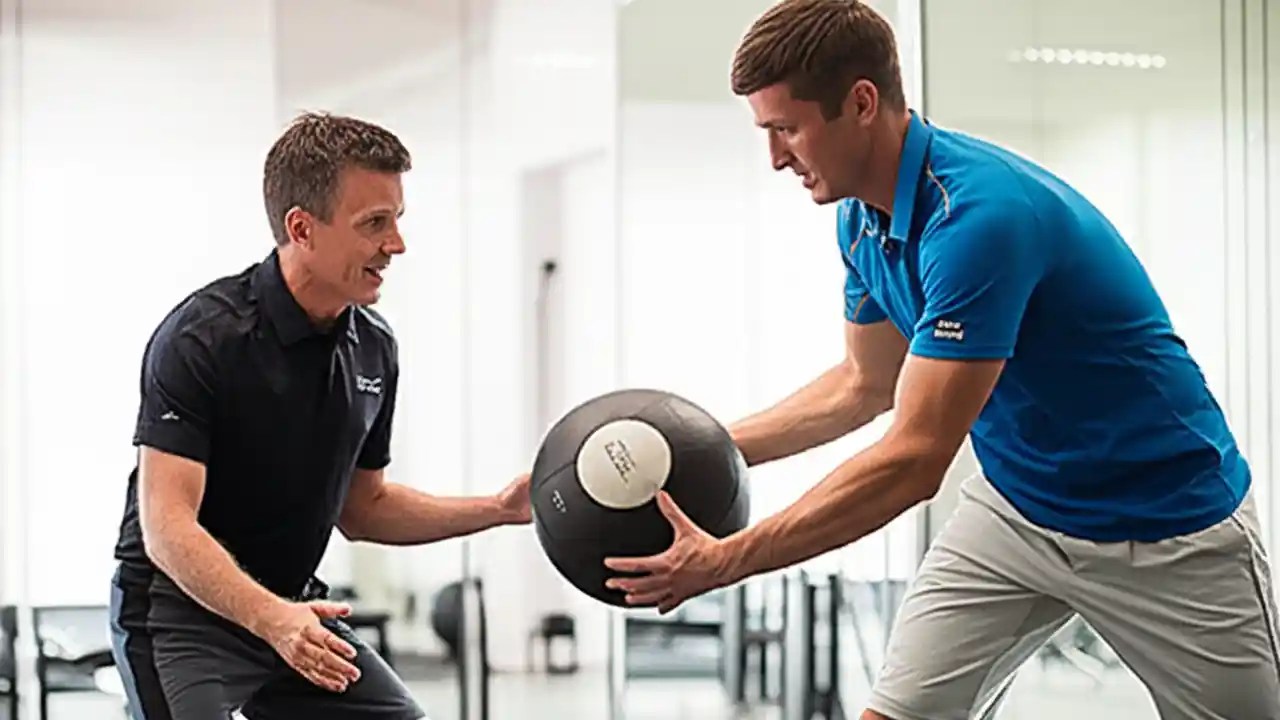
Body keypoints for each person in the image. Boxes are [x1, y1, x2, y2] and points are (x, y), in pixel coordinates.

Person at [603, 1, 1280, 718]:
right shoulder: (862, 218)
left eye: (786, 129)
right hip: (1020, 511)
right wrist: (690, 452)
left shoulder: (978, 221)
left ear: (861, 102)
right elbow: (862, 386)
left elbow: (914, 460)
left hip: (1169, 525)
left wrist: (726, 561)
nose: (775, 158)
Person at [108, 112, 530, 720]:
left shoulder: (374, 347)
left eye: (397, 220)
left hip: (293, 607)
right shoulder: (202, 339)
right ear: (301, 228)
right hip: (178, 613)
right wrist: (271, 619)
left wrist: (498, 509)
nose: (397, 244)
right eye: (374, 224)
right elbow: (168, 528)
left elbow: (364, 509)